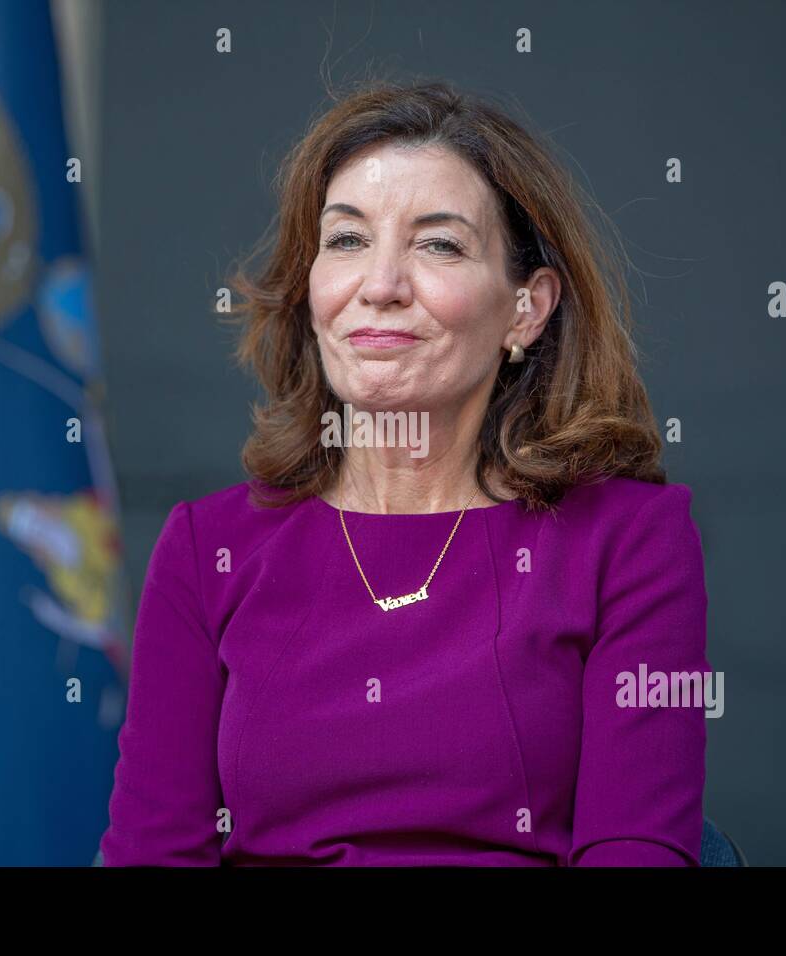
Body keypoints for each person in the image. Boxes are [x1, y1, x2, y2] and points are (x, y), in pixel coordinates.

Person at [99, 80, 710, 866]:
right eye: (347, 240)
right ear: (313, 285)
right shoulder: (207, 548)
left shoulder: (627, 542)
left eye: (438, 244)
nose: (379, 285)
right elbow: (154, 854)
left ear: (526, 308)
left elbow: (638, 851)